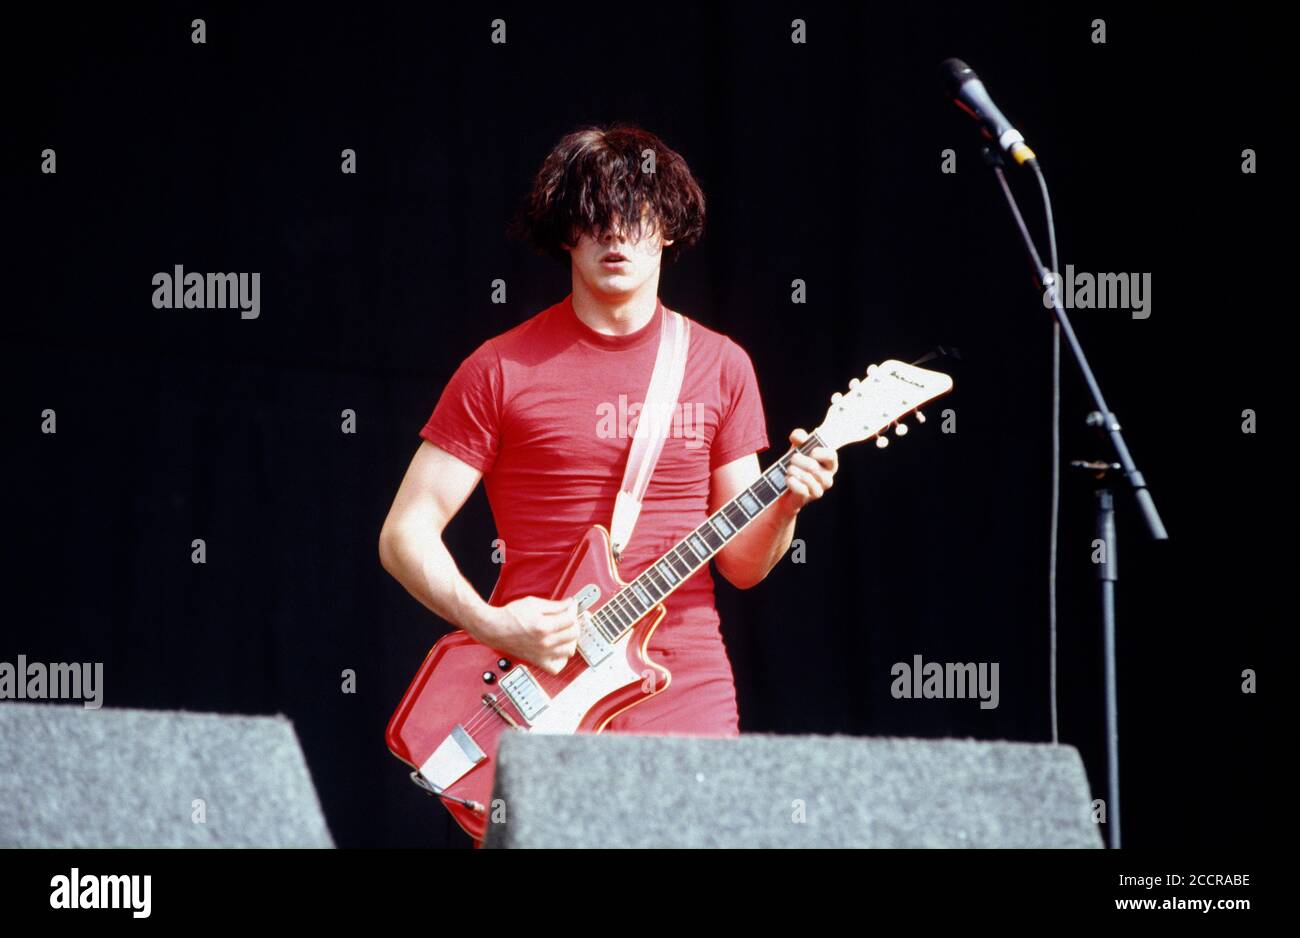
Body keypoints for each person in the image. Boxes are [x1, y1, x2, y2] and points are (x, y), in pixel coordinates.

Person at [379, 124, 837, 737]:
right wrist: (489, 623)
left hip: (683, 690)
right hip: (536, 691)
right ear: (565, 232)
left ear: (669, 228)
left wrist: (786, 506)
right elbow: (404, 533)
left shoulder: (721, 365)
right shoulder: (499, 368)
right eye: (595, 215)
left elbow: (742, 566)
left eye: (637, 215)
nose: (615, 232)